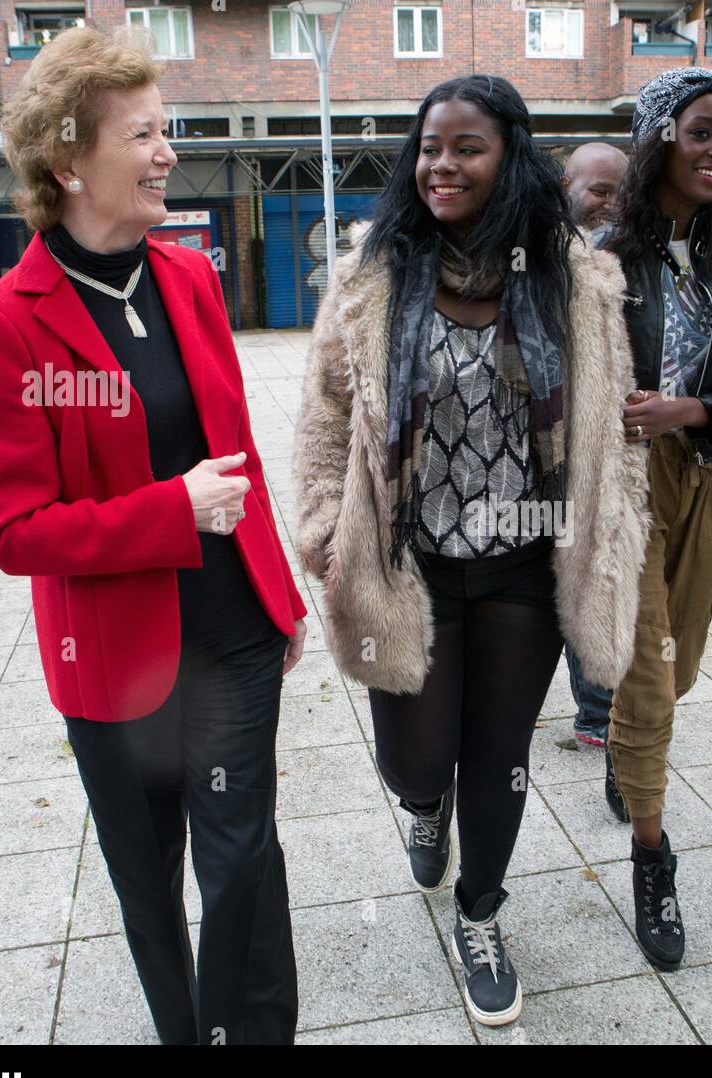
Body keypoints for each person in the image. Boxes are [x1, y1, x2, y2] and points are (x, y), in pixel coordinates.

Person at [0, 27, 306, 1043]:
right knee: (149, 875)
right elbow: (14, 530)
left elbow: (232, 456)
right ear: (69, 162)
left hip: (231, 631)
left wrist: (275, 594)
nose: (168, 152)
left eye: (170, 129)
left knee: (243, 853)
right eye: (143, 134)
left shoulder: (191, 274)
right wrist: (171, 509)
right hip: (114, 657)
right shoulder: (5, 323)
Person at [292, 75, 649, 1026]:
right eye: (429, 147)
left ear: (511, 157)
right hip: (407, 562)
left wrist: (615, 524)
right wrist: (327, 532)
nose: (441, 165)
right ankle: (425, 804)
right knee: (418, 760)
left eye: (467, 147)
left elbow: (611, 429)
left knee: (499, 755)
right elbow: (327, 414)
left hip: (526, 565)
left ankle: (482, 909)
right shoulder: (377, 273)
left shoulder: (570, 279)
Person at [596, 67, 712, 970]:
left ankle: (628, 755)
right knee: (652, 681)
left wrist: (692, 412)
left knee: (681, 664)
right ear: (662, 134)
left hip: (704, 473)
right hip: (622, 487)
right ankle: (652, 860)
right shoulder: (600, 258)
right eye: (703, 131)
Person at [559, 142, 629, 800]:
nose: (611, 203)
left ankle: (596, 714)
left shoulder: (627, 260)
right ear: (566, 184)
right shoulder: (540, 252)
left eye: (619, 193)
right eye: (599, 189)